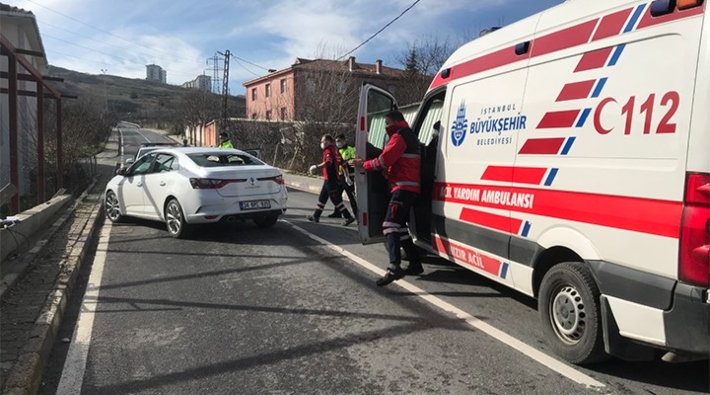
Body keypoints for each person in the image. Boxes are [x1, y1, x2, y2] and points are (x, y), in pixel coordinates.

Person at [350, 110, 423, 286]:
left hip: (402, 188)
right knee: (401, 227)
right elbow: (400, 162)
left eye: (387, 123)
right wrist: (387, 172)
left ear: (395, 121)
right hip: (410, 187)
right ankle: (415, 263)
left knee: (389, 225)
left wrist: (362, 165)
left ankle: (394, 267)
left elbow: (384, 160)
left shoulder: (399, 137)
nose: (385, 127)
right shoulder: (409, 135)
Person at [307, 134, 356, 226]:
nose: (322, 143)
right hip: (330, 178)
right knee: (323, 197)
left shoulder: (328, 150)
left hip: (330, 178)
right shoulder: (335, 150)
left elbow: (328, 162)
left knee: (335, 199)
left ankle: (348, 216)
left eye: (323, 141)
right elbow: (343, 163)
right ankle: (316, 216)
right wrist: (347, 176)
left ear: (328, 141)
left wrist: (316, 167)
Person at [327, 134, 358, 218]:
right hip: (339, 175)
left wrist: (346, 162)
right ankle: (337, 212)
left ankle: (357, 215)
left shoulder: (351, 149)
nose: (338, 143)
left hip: (348, 176)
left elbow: (353, 160)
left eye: (339, 141)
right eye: (336, 141)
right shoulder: (337, 151)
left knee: (351, 196)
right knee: (337, 195)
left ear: (344, 140)